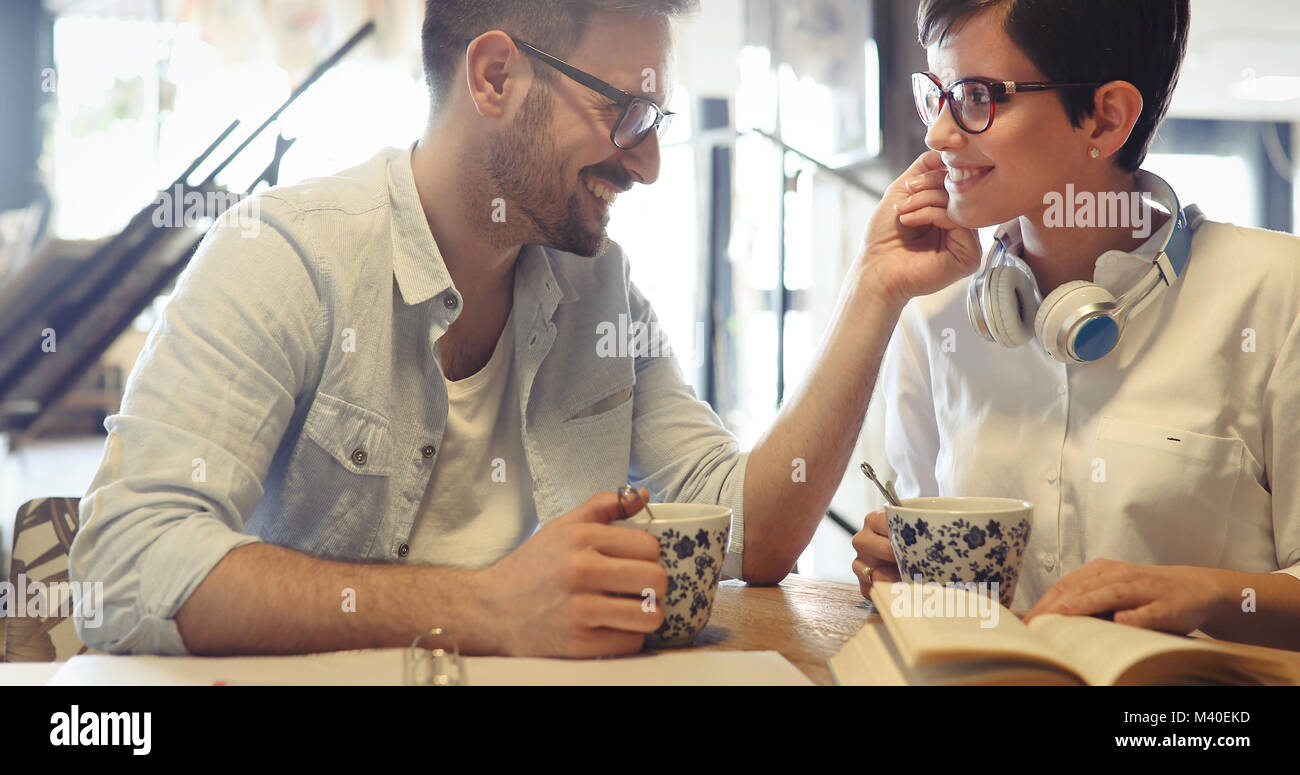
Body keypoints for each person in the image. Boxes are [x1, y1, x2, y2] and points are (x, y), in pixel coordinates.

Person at [69, 0, 978, 657]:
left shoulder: (598, 288)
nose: (652, 163)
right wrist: (487, 605)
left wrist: (874, 292)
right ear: (495, 75)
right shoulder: (284, 256)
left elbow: (754, 531)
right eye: (628, 112)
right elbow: (127, 560)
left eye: (655, 119)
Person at [852, 0, 1300, 651]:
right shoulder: (934, 317)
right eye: (939, 95)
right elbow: (928, 591)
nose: (939, 135)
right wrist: (903, 572)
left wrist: (1208, 593)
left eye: (977, 96)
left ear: (1106, 116)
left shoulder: (1277, 293)